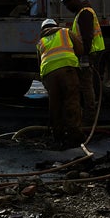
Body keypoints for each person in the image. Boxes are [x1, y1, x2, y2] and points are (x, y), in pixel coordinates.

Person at [37, 18, 84, 148]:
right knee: (71, 102)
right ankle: (75, 136)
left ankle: (58, 136)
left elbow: (40, 62)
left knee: (55, 105)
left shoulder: (41, 42)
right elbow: (80, 49)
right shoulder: (65, 32)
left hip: (49, 75)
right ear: (55, 26)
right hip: (67, 70)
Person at [59, 0, 103, 120]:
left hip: (88, 54)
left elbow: (87, 37)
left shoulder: (84, 13)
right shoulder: (82, 13)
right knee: (85, 84)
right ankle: (88, 111)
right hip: (87, 53)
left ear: (72, 0)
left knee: (86, 85)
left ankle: (90, 114)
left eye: (67, 5)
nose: (67, 8)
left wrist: (85, 57)